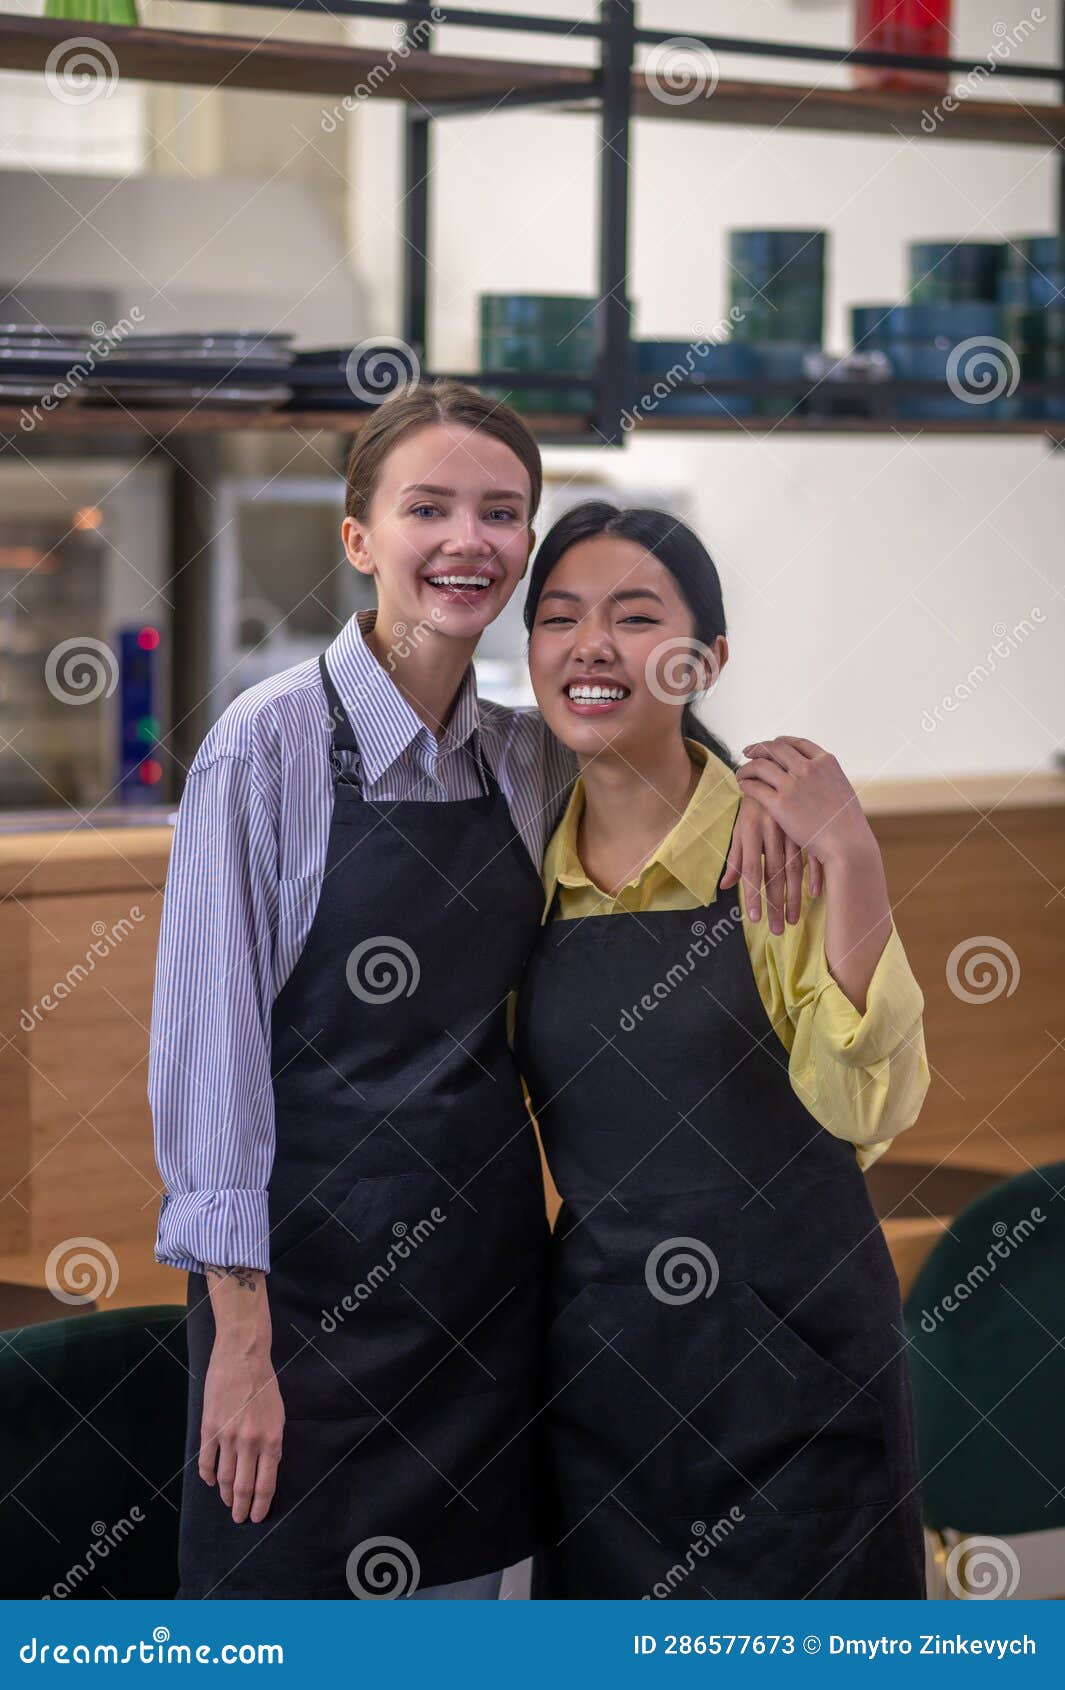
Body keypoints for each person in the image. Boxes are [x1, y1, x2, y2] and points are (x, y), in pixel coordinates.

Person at [148, 383, 803, 1600]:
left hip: (485, 1304)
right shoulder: (264, 747)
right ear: (360, 540)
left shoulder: (528, 754)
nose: (469, 541)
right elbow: (208, 1065)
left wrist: (776, 795)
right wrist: (239, 1342)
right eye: (429, 508)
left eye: (502, 513)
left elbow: (661, 767)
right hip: (301, 1317)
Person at [513, 502, 930, 1599]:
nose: (592, 645)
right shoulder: (519, 873)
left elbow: (865, 1107)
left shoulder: (778, 858)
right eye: (559, 618)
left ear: (707, 659)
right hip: (607, 1383)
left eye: (636, 617)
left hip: (796, 1375)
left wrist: (855, 857)